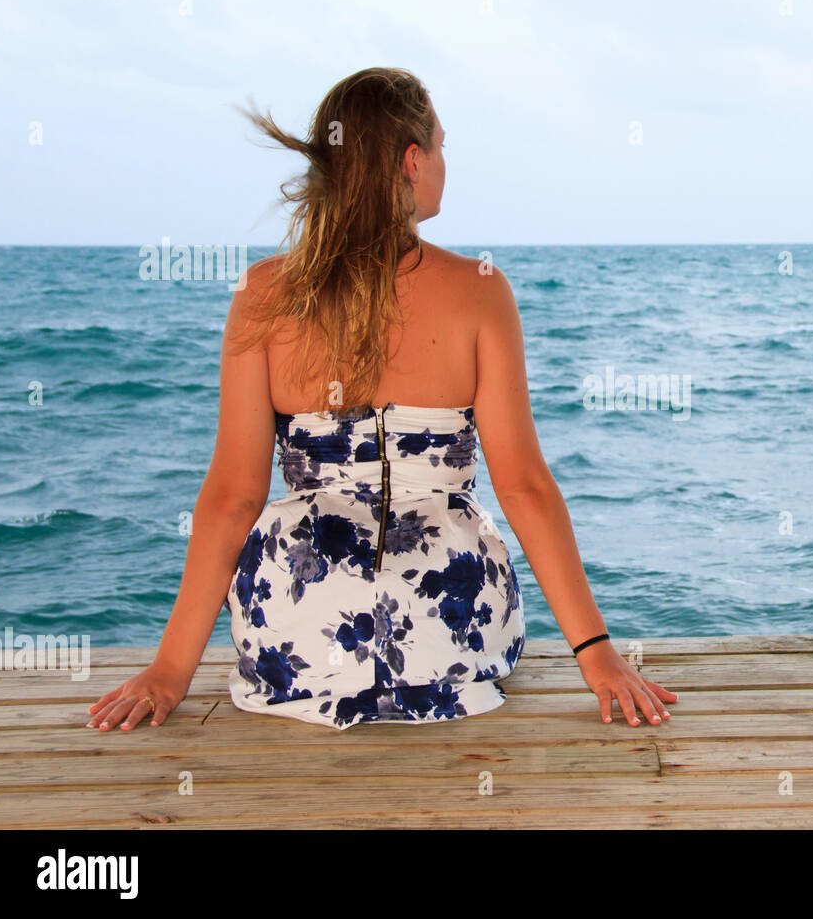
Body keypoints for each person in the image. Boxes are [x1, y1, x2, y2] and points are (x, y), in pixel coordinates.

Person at [85, 67, 676, 732]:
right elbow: (525, 488)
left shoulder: (264, 295)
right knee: (459, 569)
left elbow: (232, 499)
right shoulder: (481, 292)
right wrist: (598, 658)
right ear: (412, 161)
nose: (446, 164)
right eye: (442, 147)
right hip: (444, 627)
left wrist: (169, 672)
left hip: (301, 625)